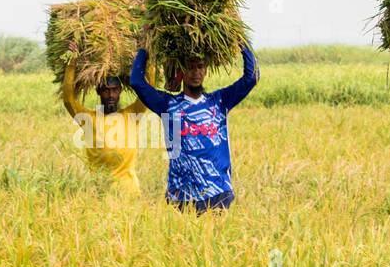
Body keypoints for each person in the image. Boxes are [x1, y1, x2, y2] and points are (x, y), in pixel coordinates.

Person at [129, 38, 259, 213]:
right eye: (190, 67)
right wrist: (145, 47)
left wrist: (242, 42)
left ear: (206, 70)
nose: (195, 72)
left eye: (200, 66)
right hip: (181, 198)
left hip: (218, 193)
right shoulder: (167, 105)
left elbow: (252, 77)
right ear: (181, 72)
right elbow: (137, 81)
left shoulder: (220, 101)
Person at [61, 61, 150, 195]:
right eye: (106, 90)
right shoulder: (88, 119)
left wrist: (149, 61)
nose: (110, 96)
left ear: (120, 90)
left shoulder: (131, 115)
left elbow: (147, 93)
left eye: (114, 90)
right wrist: (71, 63)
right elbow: (69, 100)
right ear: (98, 91)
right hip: (100, 191)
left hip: (129, 191)